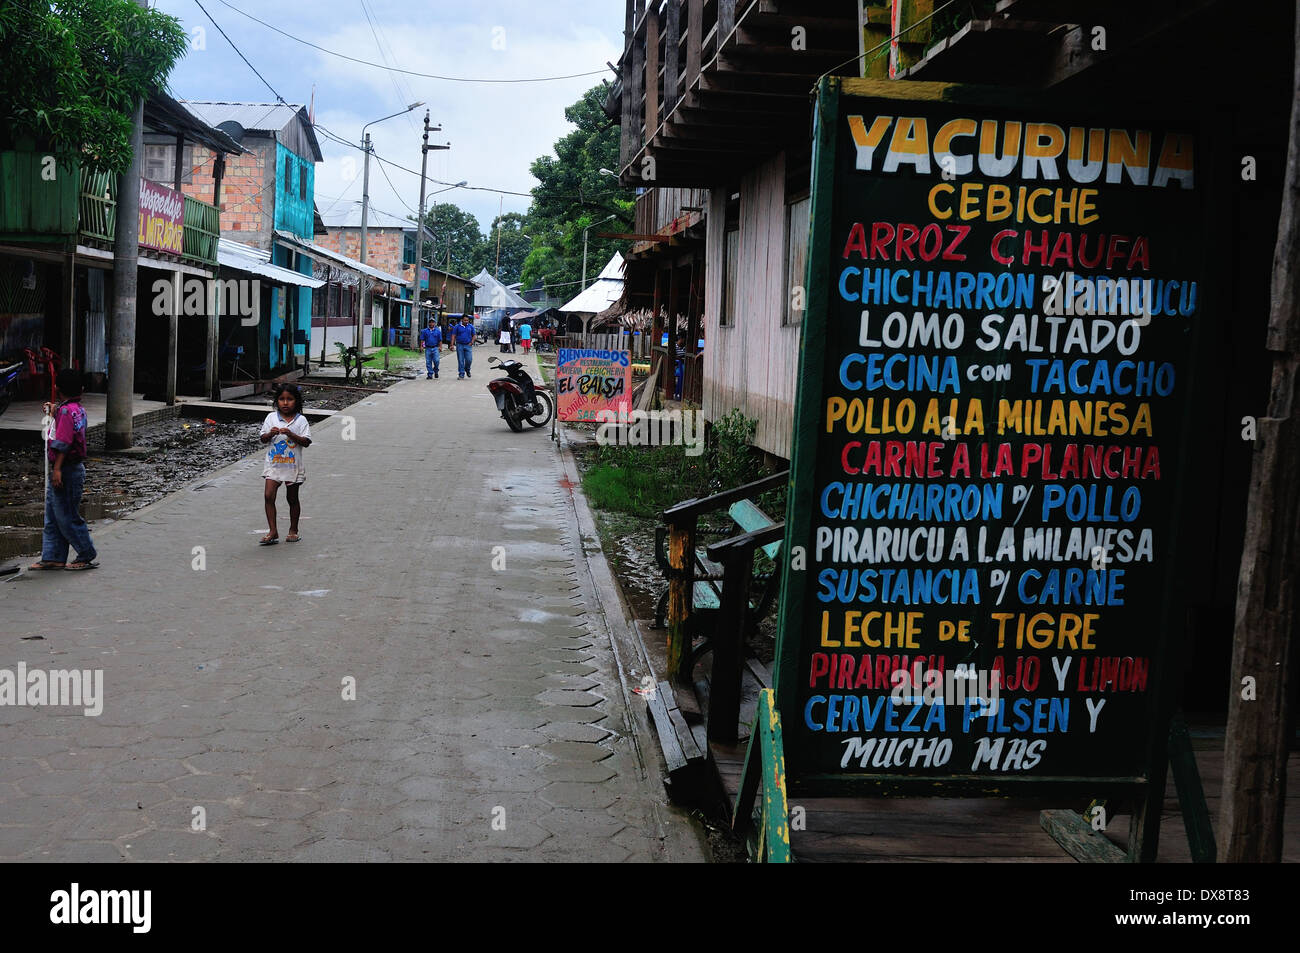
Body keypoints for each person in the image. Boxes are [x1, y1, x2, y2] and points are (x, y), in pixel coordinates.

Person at [29, 368, 97, 571]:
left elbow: (64, 442)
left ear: (57, 388)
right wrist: (54, 410)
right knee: (53, 514)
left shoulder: (67, 412)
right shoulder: (75, 409)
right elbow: (66, 419)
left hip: (66, 469)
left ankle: (86, 552)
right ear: (81, 390)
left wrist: (56, 469)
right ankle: (53, 556)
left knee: (65, 515)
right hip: (69, 469)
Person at [259, 383, 311, 545]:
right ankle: (273, 531)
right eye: (282, 399)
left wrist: (291, 434)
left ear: (296, 401)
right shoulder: (271, 418)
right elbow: (262, 439)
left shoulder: (300, 420)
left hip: (292, 466)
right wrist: (270, 434)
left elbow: (306, 441)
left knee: (292, 498)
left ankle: (293, 530)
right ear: (277, 401)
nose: (285, 403)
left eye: (290, 399)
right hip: (273, 465)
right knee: (268, 495)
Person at [453, 314, 476, 378]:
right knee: (460, 360)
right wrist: (452, 344)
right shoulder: (457, 326)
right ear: (462, 320)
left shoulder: (471, 326)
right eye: (465, 320)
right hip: (459, 345)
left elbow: (474, 335)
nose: (466, 321)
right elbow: (453, 335)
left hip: (468, 345)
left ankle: (467, 369)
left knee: (469, 359)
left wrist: (472, 342)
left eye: (467, 320)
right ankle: (461, 373)